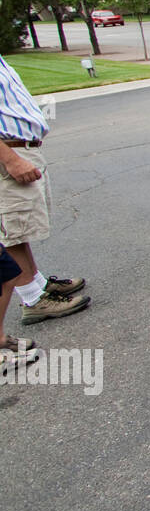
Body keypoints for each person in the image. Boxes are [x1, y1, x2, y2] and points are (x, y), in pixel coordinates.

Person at [0, 54, 89, 328]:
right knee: (12, 230)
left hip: (21, 147)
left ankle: (36, 283)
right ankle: (32, 299)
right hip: (9, 153)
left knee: (21, 227)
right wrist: (10, 159)